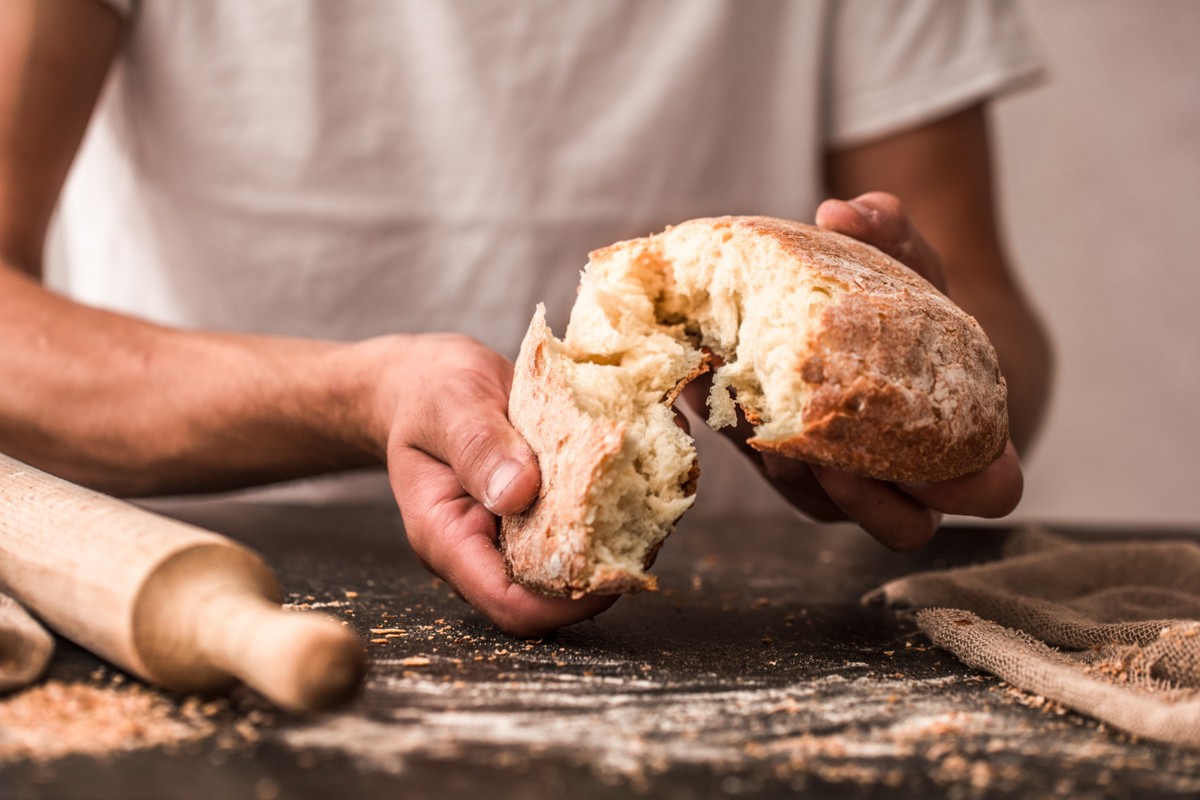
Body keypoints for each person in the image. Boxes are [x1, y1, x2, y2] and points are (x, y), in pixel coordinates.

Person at [0, 1, 1052, 637]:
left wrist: (909, 360)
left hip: (718, 617)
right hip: (196, 582)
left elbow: (998, 335)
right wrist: (358, 397)